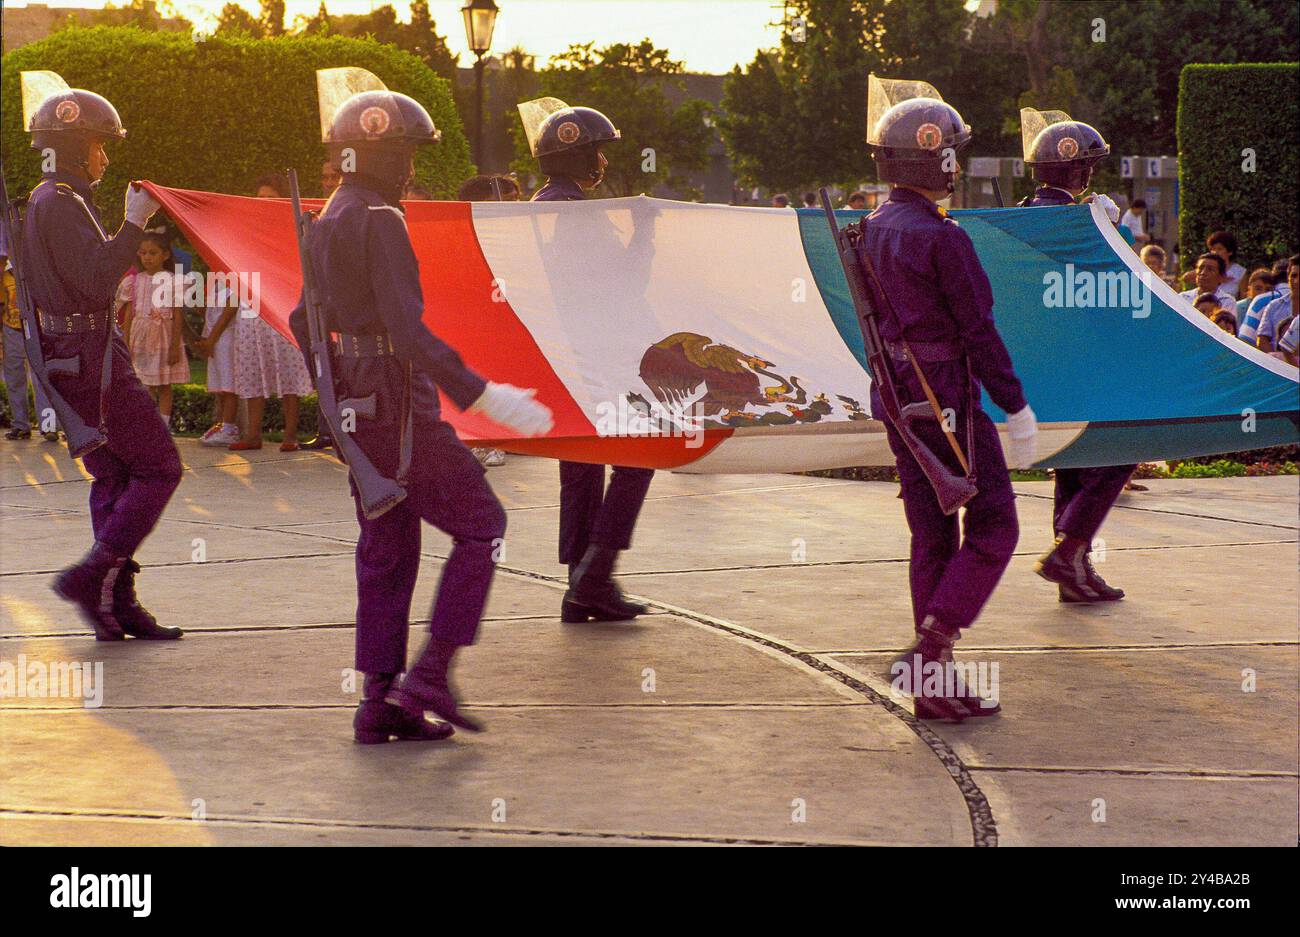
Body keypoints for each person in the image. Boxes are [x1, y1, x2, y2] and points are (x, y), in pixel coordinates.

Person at [290, 68, 552, 742]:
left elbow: (300, 321)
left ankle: (379, 702)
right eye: (407, 154)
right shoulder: (380, 217)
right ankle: (430, 673)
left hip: (357, 401)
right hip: (402, 405)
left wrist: (336, 391)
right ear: (387, 156)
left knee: (386, 543)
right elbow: (407, 330)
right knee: (482, 523)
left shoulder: (327, 216)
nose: (411, 167)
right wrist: (482, 392)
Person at [865, 77, 1037, 720]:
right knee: (996, 524)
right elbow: (977, 331)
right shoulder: (942, 237)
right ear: (932, 157)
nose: (956, 165)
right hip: (948, 400)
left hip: (902, 399)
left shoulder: (875, 225)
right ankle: (930, 649)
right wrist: (1014, 406)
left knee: (931, 534)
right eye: (951, 154)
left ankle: (932, 683)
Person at [18, 70, 182, 640]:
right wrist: (134, 224)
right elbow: (94, 280)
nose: (105, 159)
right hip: (91, 356)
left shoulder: (48, 199)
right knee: (161, 466)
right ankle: (95, 575)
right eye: (100, 146)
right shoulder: (62, 203)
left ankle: (114, 603)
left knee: (112, 475)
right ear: (75, 147)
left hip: (75, 352)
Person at [520, 96, 656, 623]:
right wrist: (644, 232)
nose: (603, 162)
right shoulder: (578, 212)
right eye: (597, 152)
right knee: (640, 455)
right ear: (576, 157)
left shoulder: (542, 204)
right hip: (602, 354)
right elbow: (623, 283)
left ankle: (581, 583)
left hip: (565, 353)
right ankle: (593, 575)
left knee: (580, 466)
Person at [1018, 107, 1133, 603]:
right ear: (1084, 172)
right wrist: (1117, 231)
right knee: (1123, 443)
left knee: (1074, 457)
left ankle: (1074, 569)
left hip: (1035, 363)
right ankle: (1071, 547)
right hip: (1085, 361)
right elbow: (1123, 284)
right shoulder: (1090, 222)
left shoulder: (1019, 215)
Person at [231, 174, 314, 451]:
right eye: (260, 198)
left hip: (283, 303)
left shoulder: (292, 227)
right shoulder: (246, 228)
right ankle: (253, 434)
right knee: (252, 368)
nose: (264, 203)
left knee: (288, 370)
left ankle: (290, 435)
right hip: (251, 305)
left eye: (270, 198)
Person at [455, 173, 522, 468]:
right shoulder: (463, 233)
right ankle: (481, 440)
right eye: (507, 201)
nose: (514, 207)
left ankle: (500, 437)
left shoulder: (514, 235)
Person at [117, 232, 192, 425]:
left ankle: (164, 424)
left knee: (164, 383)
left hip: (163, 337)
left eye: (153, 253)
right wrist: (125, 342)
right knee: (144, 382)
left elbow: (177, 314)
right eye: (143, 253)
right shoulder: (134, 281)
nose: (147, 257)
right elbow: (129, 314)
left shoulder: (173, 280)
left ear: (165, 255)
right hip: (140, 337)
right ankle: (148, 423)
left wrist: (175, 345)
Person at [2, 222, 60, 442]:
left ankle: (48, 426)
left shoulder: (40, 270)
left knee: (41, 378)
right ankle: (21, 424)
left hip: (36, 329)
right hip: (12, 330)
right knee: (14, 377)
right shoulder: (5, 274)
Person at [196, 285, 241, 447]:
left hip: (226, 339)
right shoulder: (215, 286)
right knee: (220, 387)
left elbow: (226, 316)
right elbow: (208, 313)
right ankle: (222, 424)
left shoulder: (234, 288)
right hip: (213, 340)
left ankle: (229, 428)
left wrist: (211, 339)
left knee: (229, 386)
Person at [1255, 255, 1299, 354]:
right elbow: (1262, 339)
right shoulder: (1274, 306)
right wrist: (1276, 361)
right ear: (1288, 277)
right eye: (1294, 275)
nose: (1296, 281)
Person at [1178, 253, 1238, 320]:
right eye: (1200, 268)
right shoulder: (1183, 297)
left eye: (1210, 269)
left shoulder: (1227, 301)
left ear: (1221, 277)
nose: (1203, 273)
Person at [1206, 230, 1246, 299]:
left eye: (1219, 249)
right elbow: (1185, 277)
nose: (1215, 252)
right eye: (1213, 249)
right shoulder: (1205, 267)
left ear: (1230, 252)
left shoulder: (1240, 272)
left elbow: (1244, 298)